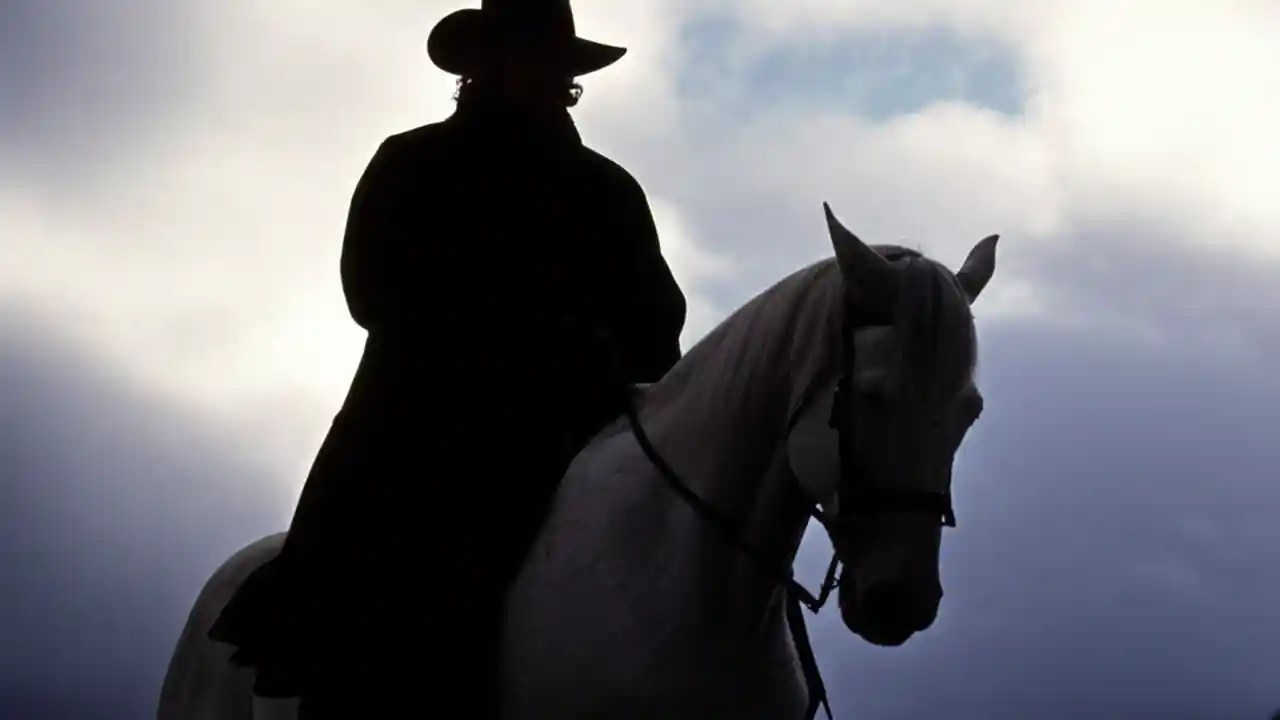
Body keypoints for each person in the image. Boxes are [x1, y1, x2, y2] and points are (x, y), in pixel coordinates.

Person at [206, 0, 687, 716]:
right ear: (483, 66)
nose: (546, 76)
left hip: (576, 433)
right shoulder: (414, 162)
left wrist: (604, 365)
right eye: (529, 57)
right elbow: (372, 292)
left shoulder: (609, 190)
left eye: (554, 63)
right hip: (424, 426)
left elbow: (658, 324)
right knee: (368, 580)